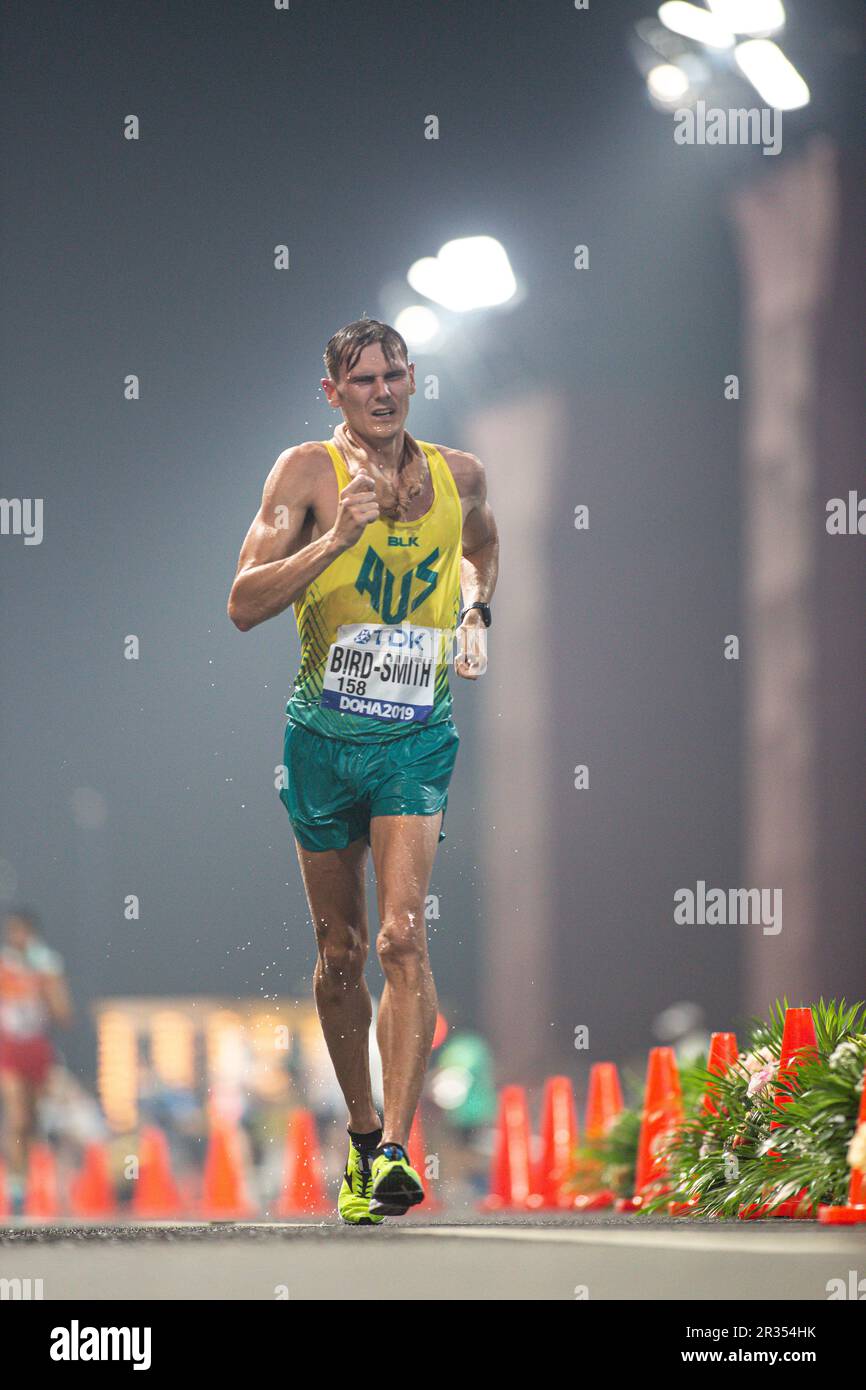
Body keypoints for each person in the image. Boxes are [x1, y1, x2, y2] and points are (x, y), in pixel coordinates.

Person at [228, 318, 499, 1221]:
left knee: (401, 938)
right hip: (322, 740)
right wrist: (333, 542)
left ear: (413, 378)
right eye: (362, 381)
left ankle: (393, 1155)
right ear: (332, 393)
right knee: (341, 953)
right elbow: (241, 604)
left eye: (394, 375)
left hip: (416, 736)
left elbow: (483, 548)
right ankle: (359, 1130)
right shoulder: (305, 475)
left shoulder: (461, 476)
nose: (381, 392)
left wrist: (475, 615)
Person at [0, 908, 73, 1213]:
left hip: (37, 1048)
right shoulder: (3, 964)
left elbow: (63, 1015)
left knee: (33, 1122)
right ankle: (16, 1191)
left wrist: (46, 985)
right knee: (17, 1119)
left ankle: (32, 1179)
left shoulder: (47, 964)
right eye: (14, 932)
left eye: (24, 933)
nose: (19, 938)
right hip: (9, 1048)